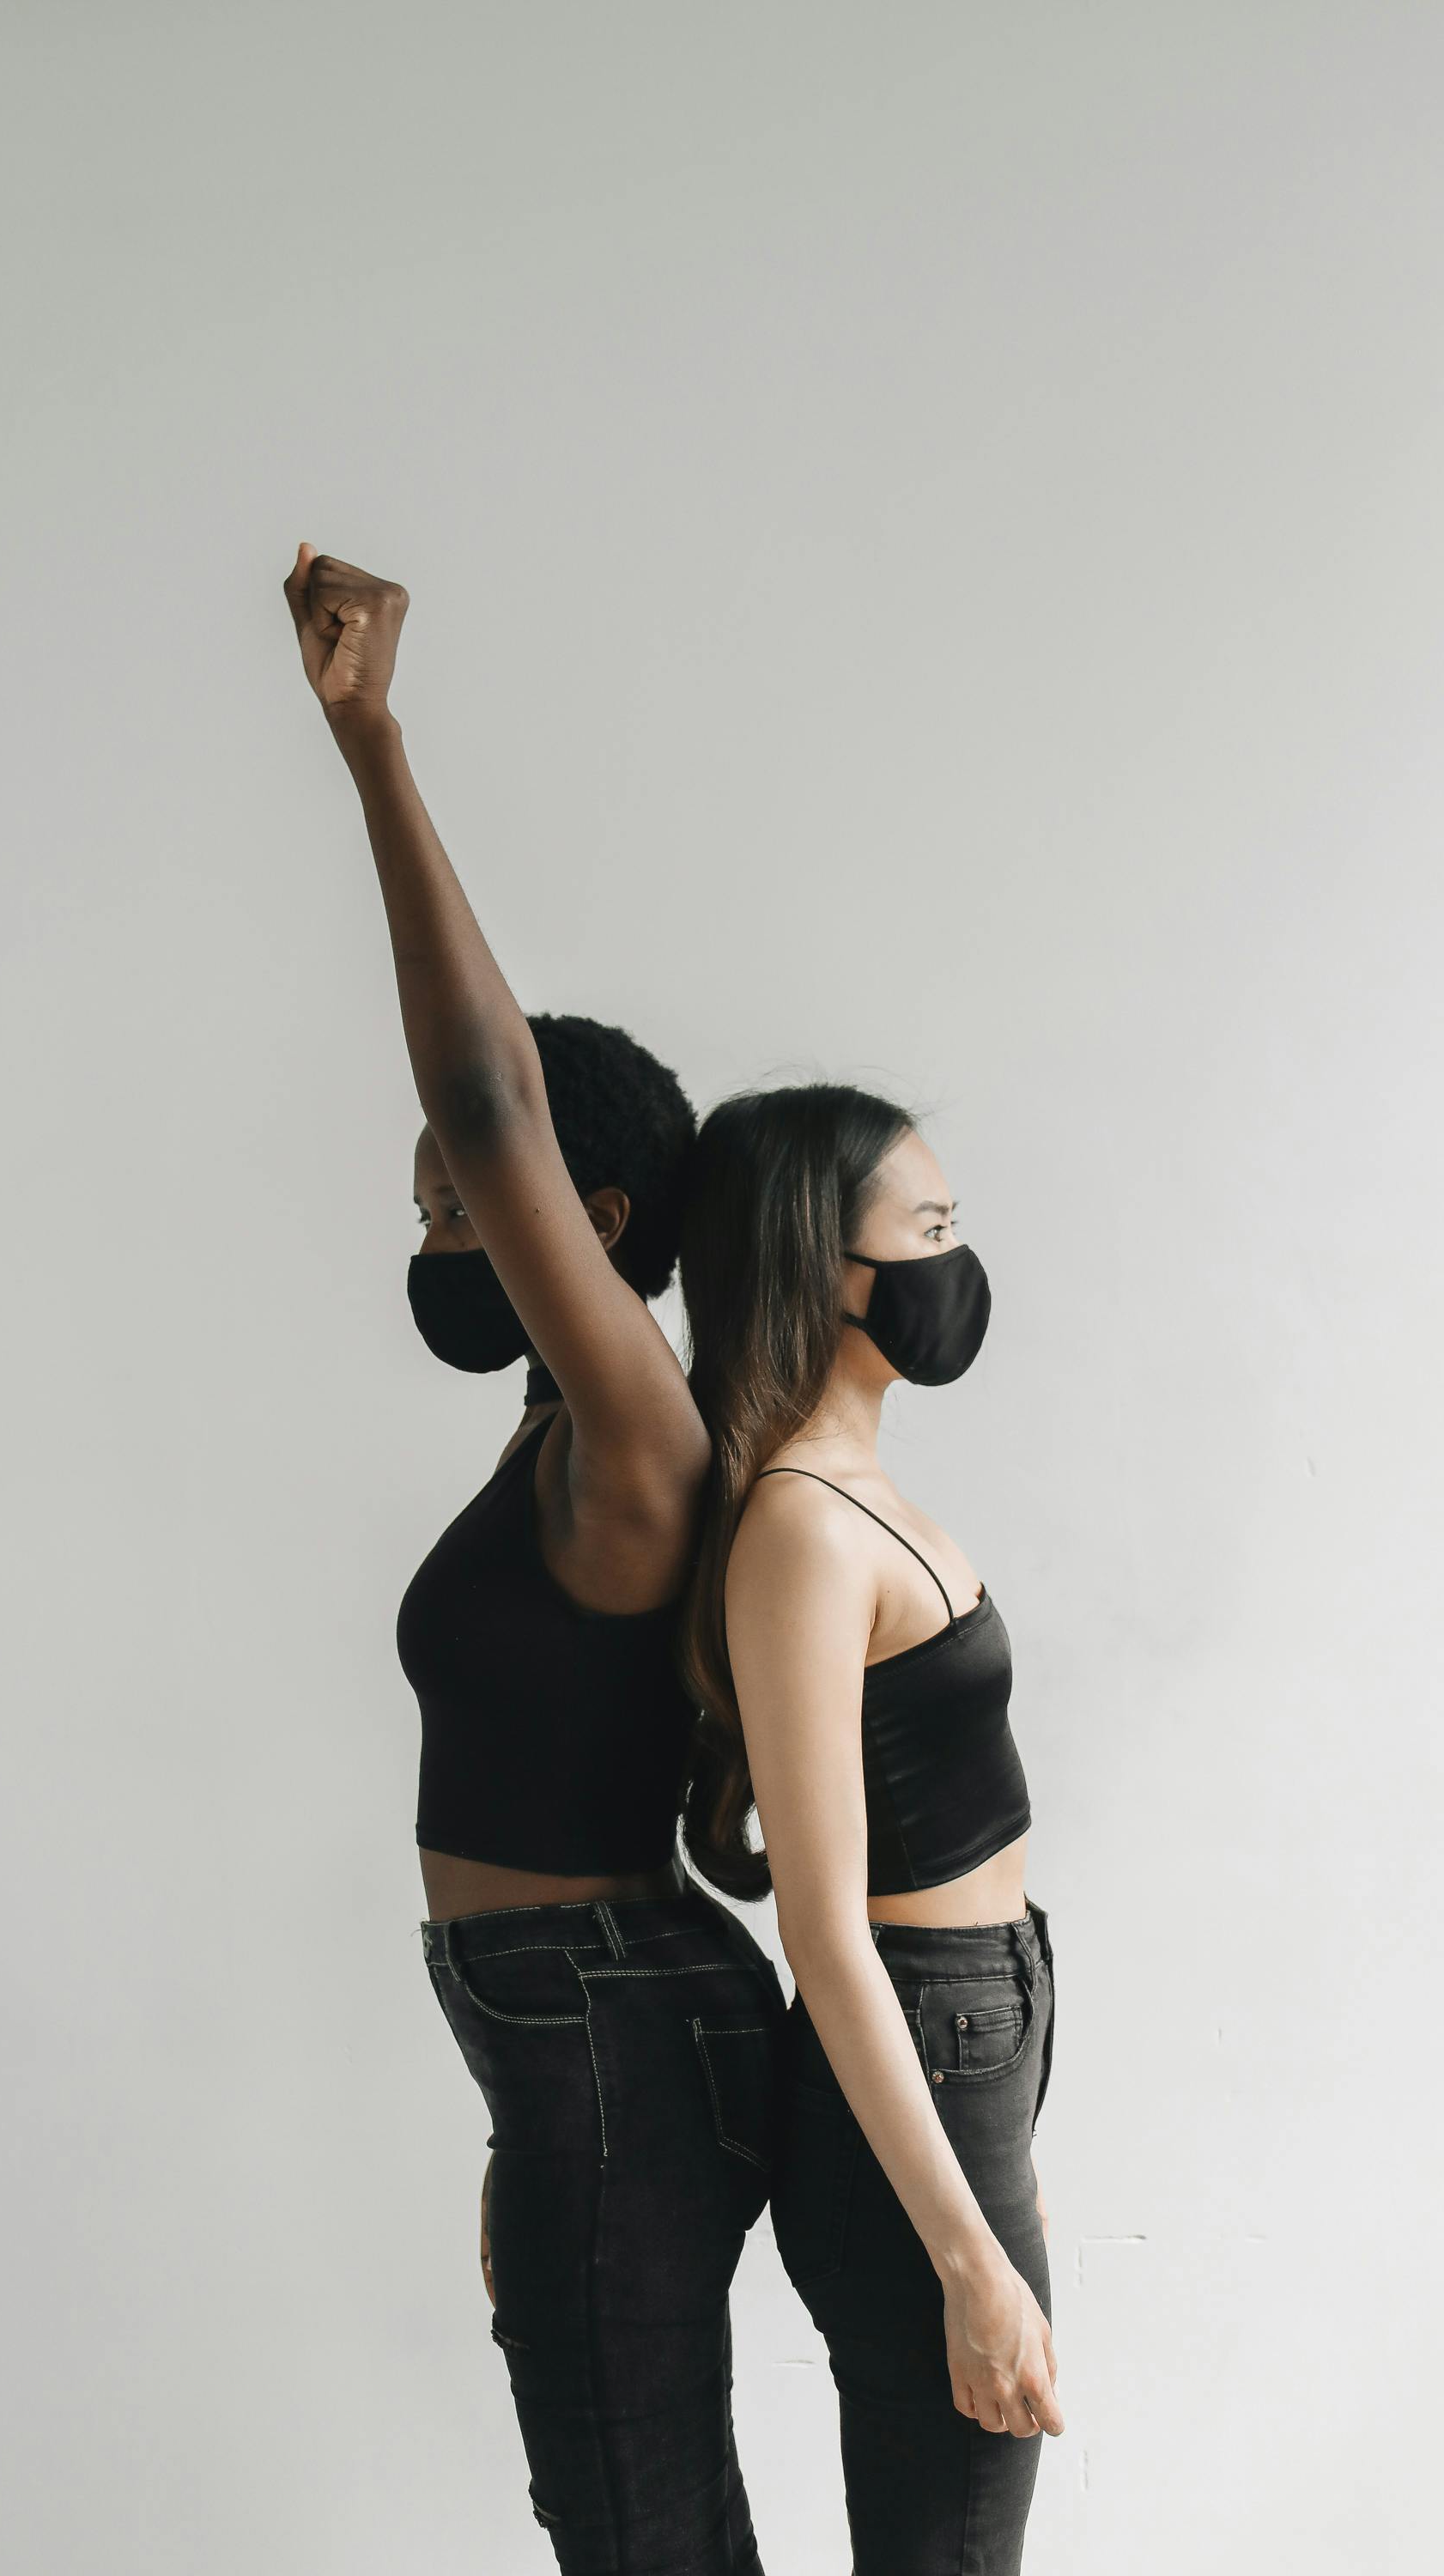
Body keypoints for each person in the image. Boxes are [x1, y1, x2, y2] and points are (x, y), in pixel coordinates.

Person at [283, 544, 784, 2576]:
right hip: (573, 2044)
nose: (433, 1234)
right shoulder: (562, 1434)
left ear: (572, 1214)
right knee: (636, 2519)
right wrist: (529, 2122)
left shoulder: (641, 1427)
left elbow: (486, 1092)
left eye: (458, 1205)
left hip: (608, 2026)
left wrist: (371, 743)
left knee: (638, 2536)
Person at [677, 1083, 1063, 2576]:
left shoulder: (855, 1490)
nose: (954, 1267)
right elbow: (824, 1932)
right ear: (818, 1271)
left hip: (981, 2023)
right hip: (915, 2027)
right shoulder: (799, 1528)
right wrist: (969, 2260)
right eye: (930, 1232)